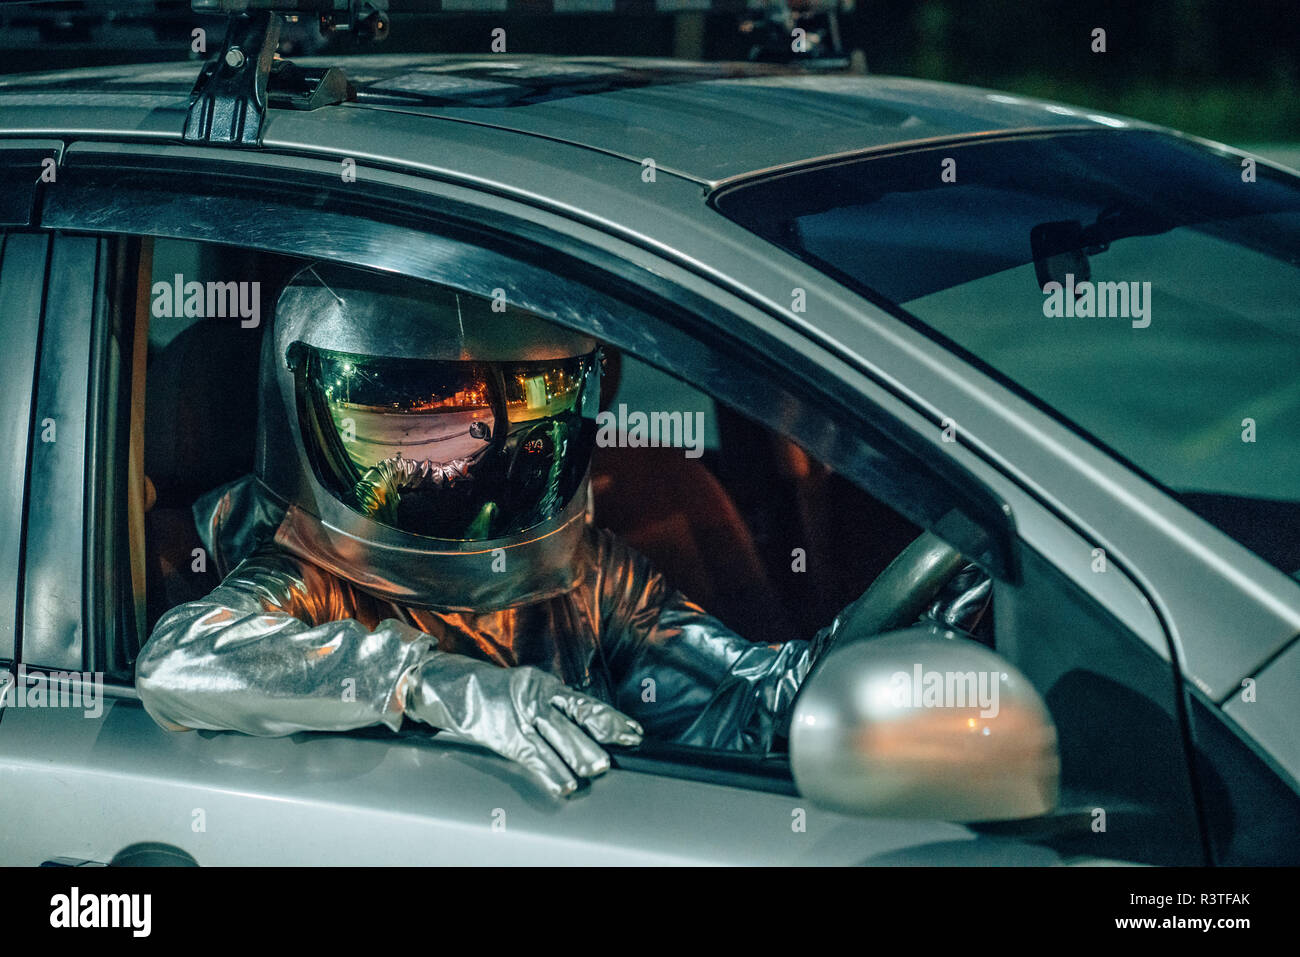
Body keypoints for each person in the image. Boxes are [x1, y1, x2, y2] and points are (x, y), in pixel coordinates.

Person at [136, 262, 849, 797]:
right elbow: (177, 661)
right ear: (319, 421)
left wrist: (874, 652)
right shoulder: (312, 568)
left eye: (517, 422)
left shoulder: (584, 570)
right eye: (424, 433)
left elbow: (745, 693)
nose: (479, 477)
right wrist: (430, 681)